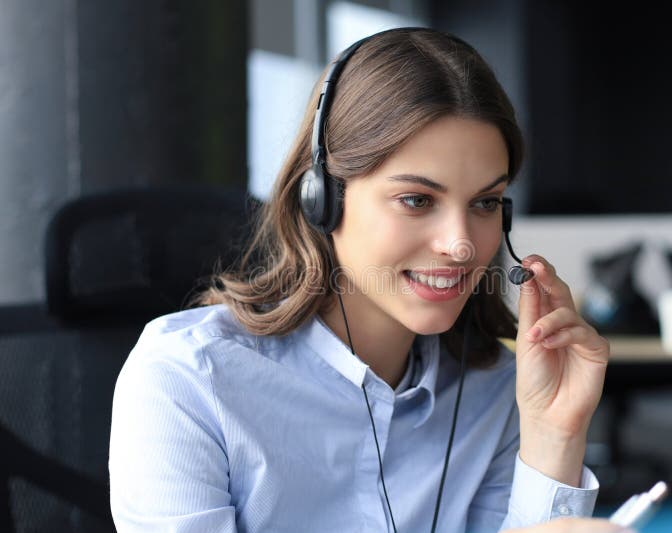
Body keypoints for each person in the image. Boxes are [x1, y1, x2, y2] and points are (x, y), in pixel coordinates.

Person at [108, 27, 623, 533]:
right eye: (417, 200)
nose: (462, 244)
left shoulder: (493, 393)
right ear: (323, 199)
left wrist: (554, 432)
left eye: (485, 203)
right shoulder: (188, 379)